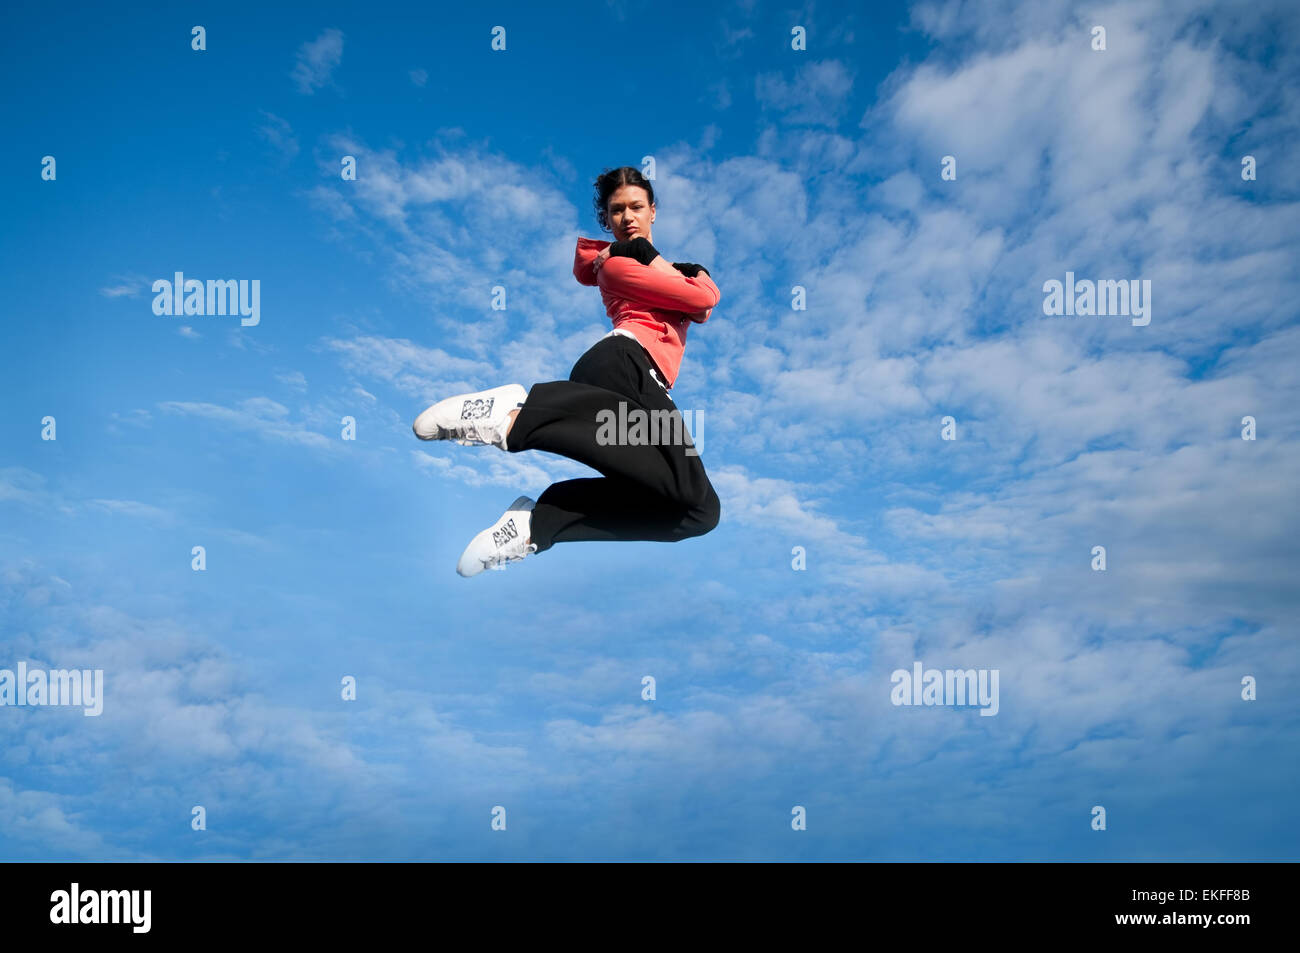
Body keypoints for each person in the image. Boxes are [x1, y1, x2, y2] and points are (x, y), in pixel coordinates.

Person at [413, 166, 722, 576]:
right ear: (607, 221)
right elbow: (702, 298)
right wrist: (670, 264)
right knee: (690, 490)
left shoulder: (651, 264)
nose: (627, 217)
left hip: (631, 379)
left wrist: (665, 262)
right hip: (624, 364)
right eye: (616, 211)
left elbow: (699, 301)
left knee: (697, 511)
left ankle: (537, 524)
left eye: (636, 207)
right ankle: (511, 417)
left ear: (653, 212)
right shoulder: (616, 267)